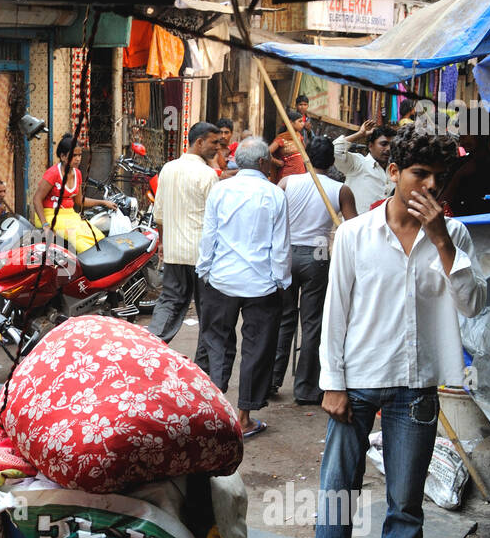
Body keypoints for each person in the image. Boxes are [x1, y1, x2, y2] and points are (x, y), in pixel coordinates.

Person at [298, 124, 487, 538]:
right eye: (418, 173)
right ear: (393, 173)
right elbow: (334, 313)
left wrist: (443, 240)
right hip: (356, 382)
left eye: (437, 177)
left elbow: (474, 305)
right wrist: (330, 384)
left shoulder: (454, 237)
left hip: (415, 387)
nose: (428, 185)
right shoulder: (356, 234)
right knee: (337, 495)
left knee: (406, 504)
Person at [196, 137, 291, 438]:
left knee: (216, 343)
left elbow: (208, 235)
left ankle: (215, 413)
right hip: (261, 284)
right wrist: (282, 280)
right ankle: (244, 417)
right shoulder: (275, 194)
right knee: (257, 348)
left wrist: (204, 269)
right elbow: (281, 246)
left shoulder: (221, 190)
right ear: (264, 163)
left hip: (221, 279)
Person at [270, 136, 358, 404]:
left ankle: (272, 381)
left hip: (286, 255)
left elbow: (273, 217)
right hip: (317, 257)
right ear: (332, 162)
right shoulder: (341, 190)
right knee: (312, 324)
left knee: (283, 319)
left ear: (306, 156)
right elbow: (352, 228)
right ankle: (306, 388)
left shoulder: (287, 183)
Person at [146, 121, 221, 344]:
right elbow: (216, 219)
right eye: (214, 142)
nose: (217, 147)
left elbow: (158, 214)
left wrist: (163, 244)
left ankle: (152, 347)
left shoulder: (167, 169)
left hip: (175, 252)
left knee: (169, 301)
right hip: (201, 255)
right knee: (207, 311)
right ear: (199, 142)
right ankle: (204, 366)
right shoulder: (208, 175)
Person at [30, 134, 115, 254]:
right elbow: (37, 199)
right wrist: (45, 225)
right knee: (80, 242)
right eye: (74, 155)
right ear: (63, 156)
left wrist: (103, 202)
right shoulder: (53, 173)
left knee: (98, 237)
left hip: (69, 215)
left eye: (80, 155)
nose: (78, 159)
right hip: (50, 215)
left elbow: (79, 201)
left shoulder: (78, 174)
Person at [439, 132, 490, 216]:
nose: (461, 139)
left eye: (468, 132)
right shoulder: (457, 166)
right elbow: (440, 205)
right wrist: (458, 176)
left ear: (484, 136)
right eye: (461, 134)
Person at [334, 119, 393, 208]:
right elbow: (336, 151)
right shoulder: (358, 164)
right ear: (370, 146)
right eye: (383, 144)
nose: (388, 149)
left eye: (391, 145)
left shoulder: (394, 170)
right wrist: (360, 134)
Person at [269, 116, 310, 183]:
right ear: (290, 122)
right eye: (300, 121)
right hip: (287, 178)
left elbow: (305, 154)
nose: (303, 124)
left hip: (301, 176)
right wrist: (276, 162)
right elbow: (265, 152)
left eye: (303, 121)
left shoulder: (299, 137)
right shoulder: (281, 139)